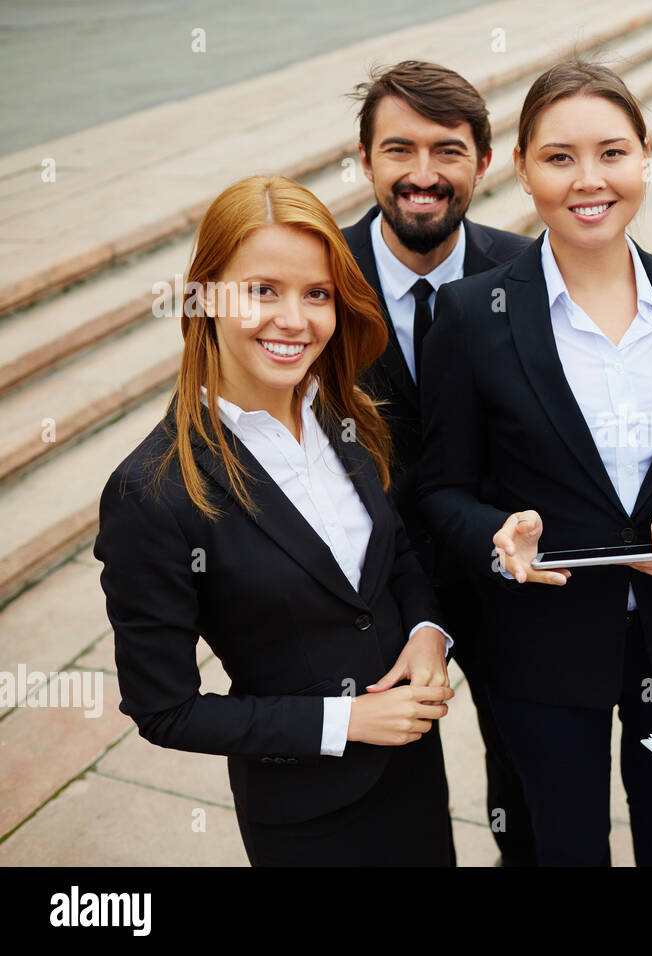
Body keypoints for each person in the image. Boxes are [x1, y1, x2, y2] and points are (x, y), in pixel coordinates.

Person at [417, 58, 652, 866]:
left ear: (645, 158)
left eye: (612, 152)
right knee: (565, 844)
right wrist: (499, 534)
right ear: (522, 170)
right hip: (542, 640)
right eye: (559, 157)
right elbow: (440, 488)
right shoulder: (471, 314)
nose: (588, 179)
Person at [95, 175, 456, 866]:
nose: (295, 320)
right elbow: (165, 709)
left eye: (316, 294)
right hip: (308, 818)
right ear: (205, 297)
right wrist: (344, 721)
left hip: (414, 775)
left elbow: (396, 556)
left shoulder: (346, 413)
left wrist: (428, 632)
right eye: (263, 290)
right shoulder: (152, 492)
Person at [342, 60, 536, 866]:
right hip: (366, 590)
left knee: (526, 789)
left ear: (483, 163)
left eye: (448, 151)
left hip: (503, 579)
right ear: (365, 162)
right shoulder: (317, 277)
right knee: (381, 802)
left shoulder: (529, 272)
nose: (423, 175)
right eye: (399, 150)